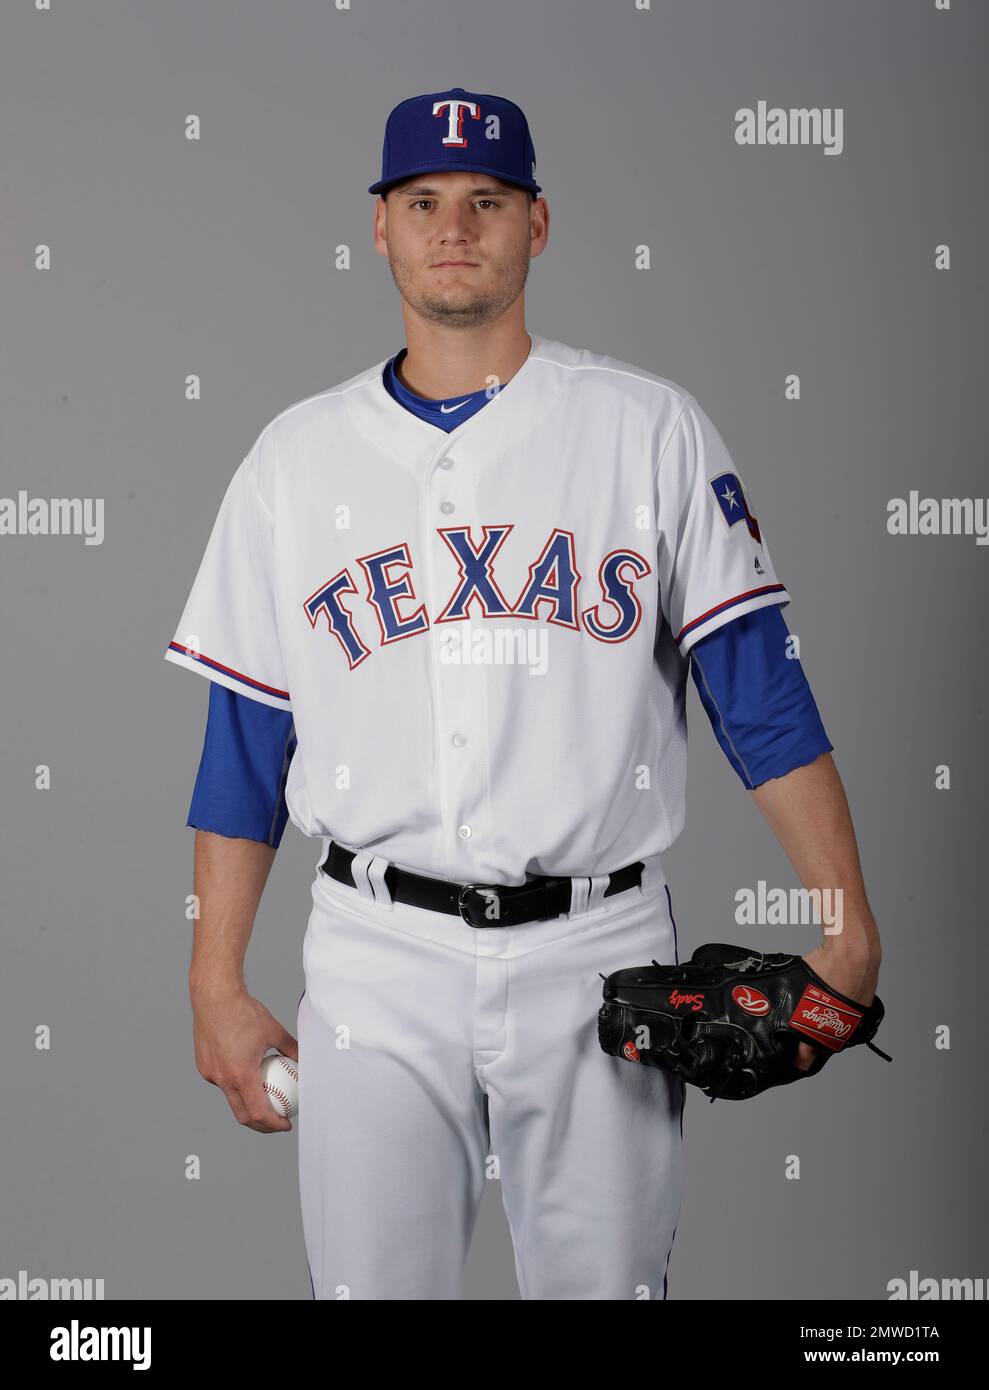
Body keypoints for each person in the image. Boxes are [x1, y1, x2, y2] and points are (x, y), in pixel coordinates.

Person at [165, 87, 882, 1301]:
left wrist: (846, 925)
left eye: (487, 202)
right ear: (379, 227)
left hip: (594, 954)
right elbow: (246, 739)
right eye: (425, 201)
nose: (456, 227)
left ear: (536, 226)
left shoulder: (646, 430)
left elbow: (757, 698)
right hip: (374, 956)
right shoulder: (295, 458)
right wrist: (214, 982)